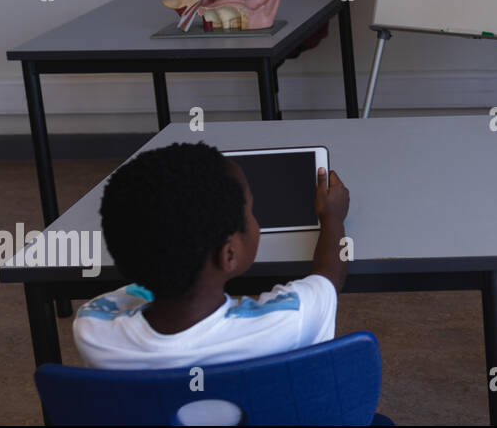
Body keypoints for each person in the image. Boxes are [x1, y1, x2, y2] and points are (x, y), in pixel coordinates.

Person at [74, 141, 351, 370]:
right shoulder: (289, 319)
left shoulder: (92, 329)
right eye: (250, 211)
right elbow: (328, 278)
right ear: (228, 255)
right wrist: (333, 219)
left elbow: (134, 290)